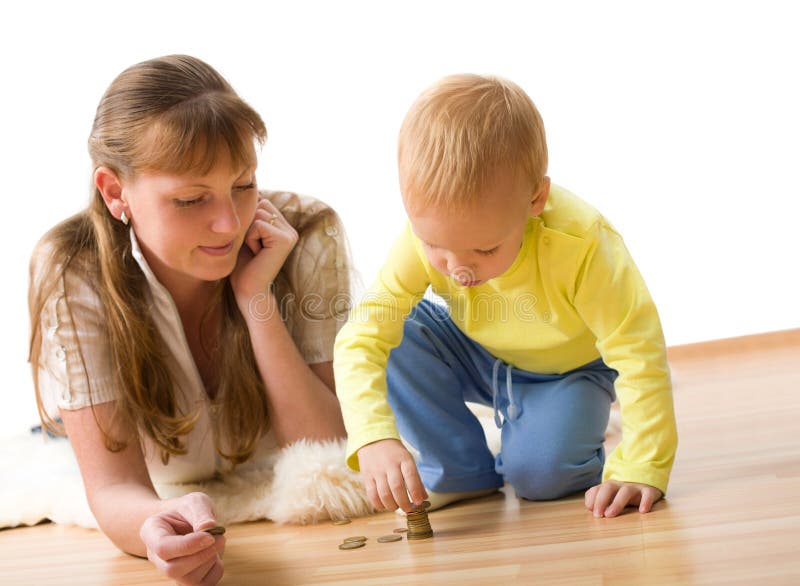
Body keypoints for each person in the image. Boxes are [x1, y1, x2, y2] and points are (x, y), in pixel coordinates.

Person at [28, 55, 351, 585]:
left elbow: (326, 451)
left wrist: (256, 300)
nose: (228, 222)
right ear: (115, 193)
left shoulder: (304, 232)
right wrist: (154, 525)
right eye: (190, 199)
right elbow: (112, 488)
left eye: (243, 186)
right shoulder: (72, 269)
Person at [334, 74, 678, 519]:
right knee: (400, 327)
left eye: (485, 248)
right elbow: (360, 338)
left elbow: (639, 350)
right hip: (481, 355)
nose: (456, 267)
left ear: (536, 200)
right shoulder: (423, 241)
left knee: (540, 477)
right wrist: (372, 435)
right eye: (433, 244)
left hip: (567, 370)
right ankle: (460, 470)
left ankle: (564, 433)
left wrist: (643, 464)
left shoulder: (582, 244)